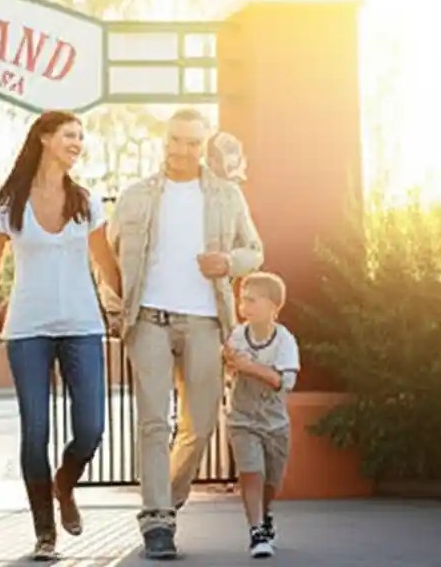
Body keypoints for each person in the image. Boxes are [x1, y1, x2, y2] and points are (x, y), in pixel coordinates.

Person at [104, 107, 264, 560]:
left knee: (202, 422)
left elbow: (255, 250)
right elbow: (109, 263)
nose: (182, 149)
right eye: (175, 139)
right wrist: (116, 312)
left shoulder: (226, 196)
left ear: (204, 144)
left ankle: (167, 498)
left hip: (205, 320)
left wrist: (227, 264)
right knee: (154, 422)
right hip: (149, 318)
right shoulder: (135, 196)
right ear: (165, 140)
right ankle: (156, 520)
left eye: (193, 142)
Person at [0, 110, 123, 561]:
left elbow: (106, 264)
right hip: (28, 330)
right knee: (35, 433)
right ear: (45, 138)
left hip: (82, 326)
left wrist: (127, 305)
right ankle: (44, 533)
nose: (77, 142)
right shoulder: (8, 205)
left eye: (81, 136)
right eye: (70, 135)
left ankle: (65, 484)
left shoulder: (86, 202)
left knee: (91, 428)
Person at [223, 272, 300, 558]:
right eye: (243, 300)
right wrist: (234, 364)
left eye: (253, 300)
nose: (245, 306)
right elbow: (230, 365)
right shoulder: (237, 336)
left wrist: (251, 367)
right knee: (251, 472)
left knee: (272, 480)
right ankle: (256, 530)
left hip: (275, 423)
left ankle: (265, 514)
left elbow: (283, 381)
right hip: (242, 419)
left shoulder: (285, 341)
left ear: (273, 306)